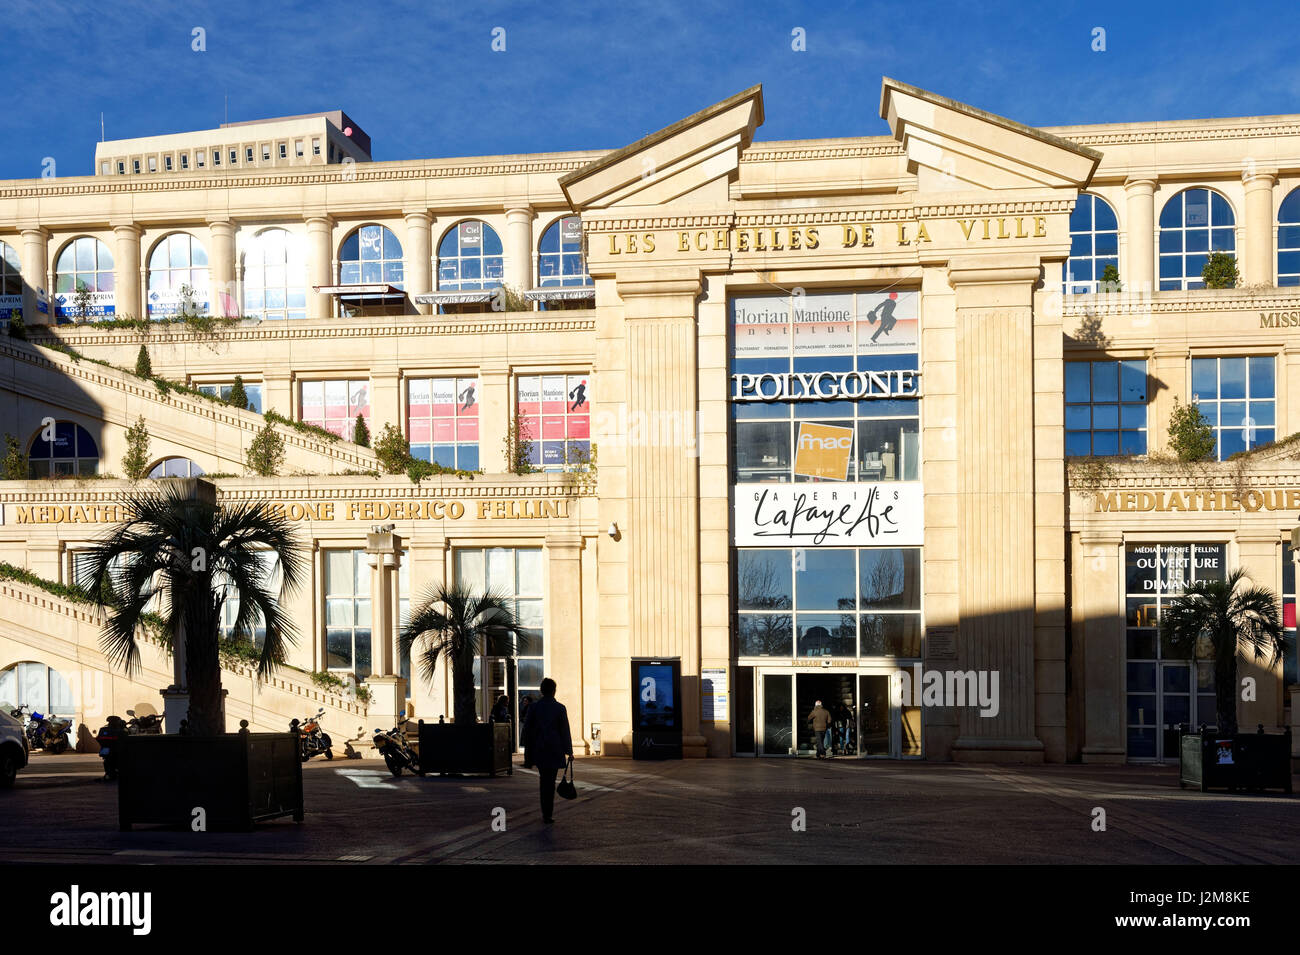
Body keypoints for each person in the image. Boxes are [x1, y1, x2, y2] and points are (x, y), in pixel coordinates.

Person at [520, 678, 572, 823]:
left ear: (541, 691)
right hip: (555, 749)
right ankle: (548, 812)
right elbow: (564, 731)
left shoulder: (534, 707)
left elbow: (527, 730)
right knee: (550, 780)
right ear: (554, 690)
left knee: (544, 781)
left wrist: (527, 752)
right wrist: (569, 751)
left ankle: (546, 812)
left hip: (540, 749)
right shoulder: (560, 708)